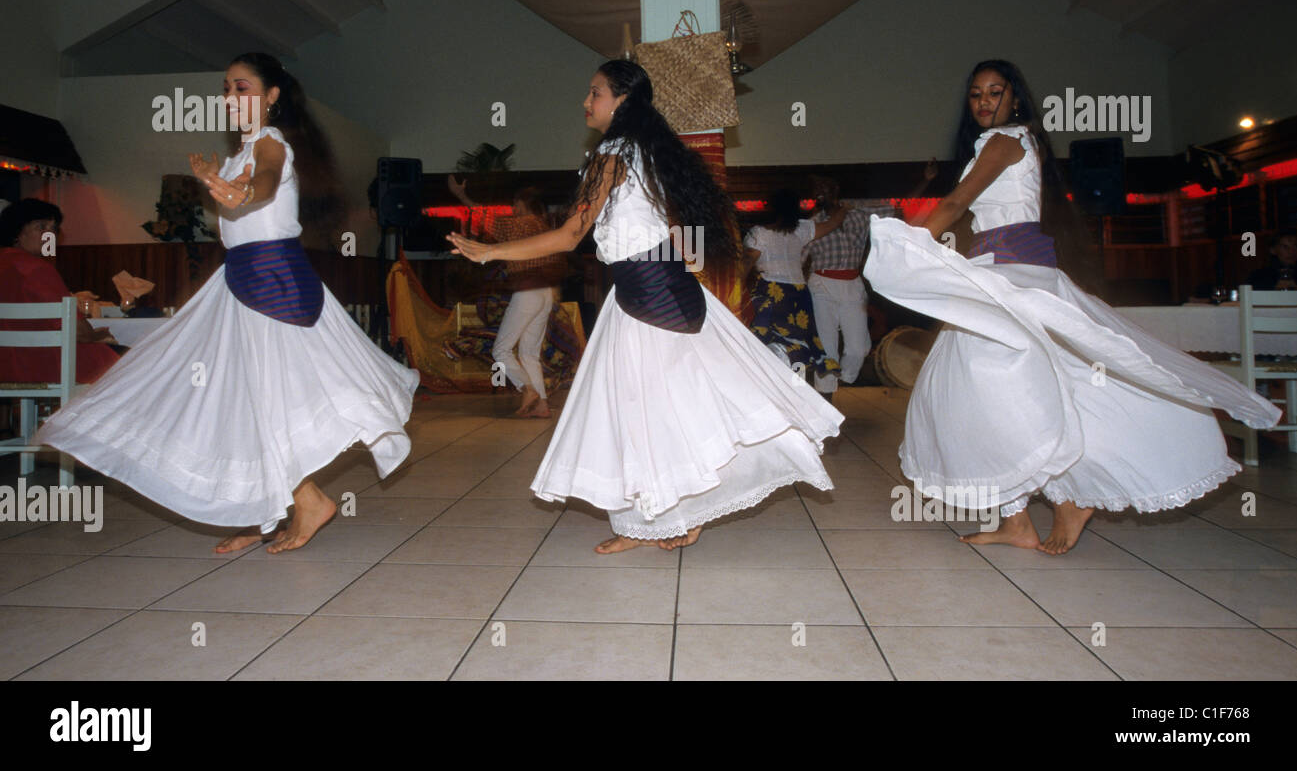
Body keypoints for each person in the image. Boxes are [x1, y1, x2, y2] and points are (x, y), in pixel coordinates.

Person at [865, 59, 1279, 554]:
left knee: (1017, 386)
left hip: (1016, 274)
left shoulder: (1007, 139)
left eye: (995, 92)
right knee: (982, 391)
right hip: (997, 272)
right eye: (976, 93)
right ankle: (1017, 519)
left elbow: (956, 204)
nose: (984, 101)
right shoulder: (1001, 142)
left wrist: (907, 249)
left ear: (1015, 98)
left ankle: (1072, 495)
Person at [35, 53, 420, 554]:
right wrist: (224, 184)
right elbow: (245, 191)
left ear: (272, 96)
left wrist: (238, 192)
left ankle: (302, 502)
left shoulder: (270, 143)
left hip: (273, 283)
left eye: (242, 88)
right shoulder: (239, 155)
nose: (230, 98)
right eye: (227, 89)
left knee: (263, 395)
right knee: (237, 393)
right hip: (240, 280)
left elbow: (262, 185)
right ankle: (262, 507)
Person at [450, 61, 841, 553]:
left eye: (595, 93)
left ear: (622, 101)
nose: (585, 102)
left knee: (652, 410)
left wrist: (489, 250)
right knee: (640, 411)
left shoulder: (614, 156)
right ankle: (647, 519)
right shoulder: (644, 152)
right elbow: (667, 232)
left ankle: (679, 513)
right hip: (648, 293)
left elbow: (572, 235)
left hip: (651, 300)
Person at [449, 178, 567, 417]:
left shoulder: (518, 225)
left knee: (500, 350)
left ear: (522, 204)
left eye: (515, 204)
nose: (513, 209)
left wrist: (462, 197)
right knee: (529, 353)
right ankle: (542, 406)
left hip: (527, 291)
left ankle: (528, 389)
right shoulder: (543, 226)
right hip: (546, 293)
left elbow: (484, 217)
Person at [0, 198, 117, 385]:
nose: (50, 235)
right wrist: (99, 335)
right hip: (44, 366)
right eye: (41, 227)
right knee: (133, 363)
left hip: (7, 364)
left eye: (54, 229)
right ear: (17, 233)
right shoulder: (36, 269)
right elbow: (77, 331)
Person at [744, 189, 845, 379]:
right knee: (798, 342)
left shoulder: (759, 233)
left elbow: (746, 264)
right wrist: (842, 208)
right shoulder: (802, 229)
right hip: (799, 295)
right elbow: (834, 222)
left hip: (772, 293)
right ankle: (798, 388)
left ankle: (775, 384)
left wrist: (735, 287)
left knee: (770, 341)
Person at [804, 176, 872, 394]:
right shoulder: (812, 224)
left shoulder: (859, 217)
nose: (821, 191)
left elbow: (892, 210)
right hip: (821, 285)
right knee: (827, 346)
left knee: (858, 348)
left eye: (825, 187)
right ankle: (826, 393)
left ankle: (844, 378)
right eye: (817, 189)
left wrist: (925, 182)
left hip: (852, 284)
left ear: (836, 190)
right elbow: (798, 258)